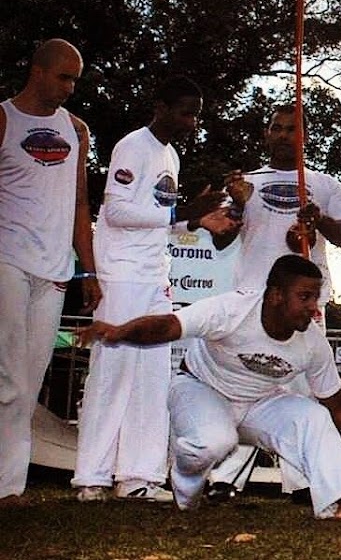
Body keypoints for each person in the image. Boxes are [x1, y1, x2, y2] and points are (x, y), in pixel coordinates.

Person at [75, 255, 341, 521]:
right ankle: (185, 487)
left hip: (261, 402)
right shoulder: (231, 309)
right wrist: (120, 331)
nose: (313, 307)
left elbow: (339, 409)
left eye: (315, 297)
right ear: (275, 295)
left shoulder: (313, 343)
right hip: (201, 388)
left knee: (314, 417)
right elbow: (169, 325)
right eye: (304, 297)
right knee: (213, 443)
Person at [72, 76, 234, 503]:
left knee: (151, 378)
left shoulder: (171, 155)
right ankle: (92, 476)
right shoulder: (132, 146)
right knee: (112, 374)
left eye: (196, 113)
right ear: (159, 106)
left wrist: (195, 221)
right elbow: (119, 211)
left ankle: (138, 476)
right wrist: (184, 211)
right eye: (184, 111)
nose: (190, 121)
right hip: (121, 274)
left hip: (152, 275)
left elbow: (159, 217)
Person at [208, 103, 341, 502]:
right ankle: (225, 478)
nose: (283, 135)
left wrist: (319, 219)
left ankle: (303, 482)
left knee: (302, 390)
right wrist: (237, 204)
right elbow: (220, 238)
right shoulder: (245, 182)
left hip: (303, 304)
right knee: (240, 387)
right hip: (250, 302)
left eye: (292, 129)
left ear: (304, 136)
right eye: (276, 128)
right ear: (266, 134)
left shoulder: (326, 185)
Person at [0, 39, 102, 506]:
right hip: (7, 260)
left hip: (54, 268)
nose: (69, 88)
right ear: (37, 71)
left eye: (74, 80)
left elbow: (80, 203)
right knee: (9, 376)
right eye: (63, 77)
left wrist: (90, 269)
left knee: (30, 375)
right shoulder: (4, 118)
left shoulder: (75, 129)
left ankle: (10, 485)